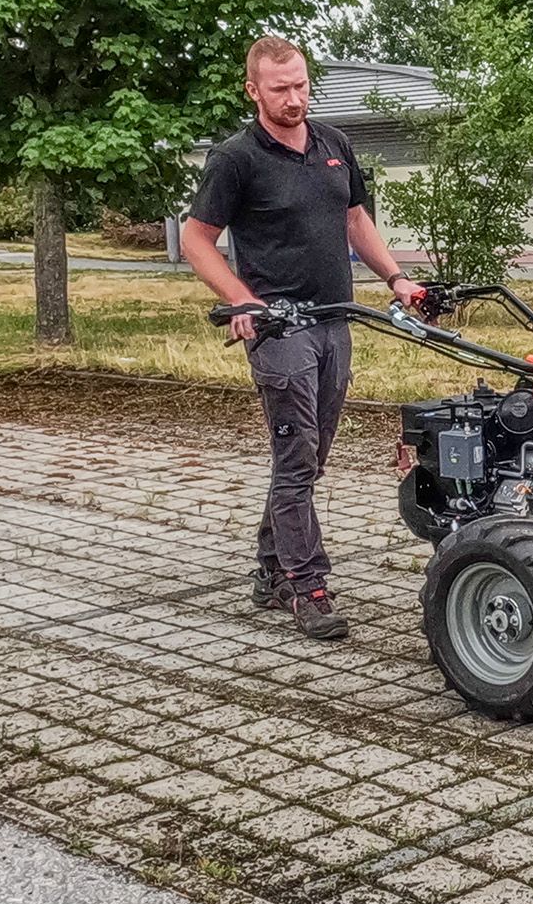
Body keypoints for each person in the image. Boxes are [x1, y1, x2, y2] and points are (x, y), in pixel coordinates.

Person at [181, 35, 424, 639]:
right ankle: (306, 584)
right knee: (296, 461)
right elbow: (195, 240)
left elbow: (354, 219)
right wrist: (242, 299)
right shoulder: (236, 158)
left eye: (302, 85)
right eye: (280, 89)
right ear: (253, 90)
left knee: (309, 460)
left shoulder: (335, 144)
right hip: (280, 328)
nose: (294, 99)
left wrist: (395, 278)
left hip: (335, 321)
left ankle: (270, 565)